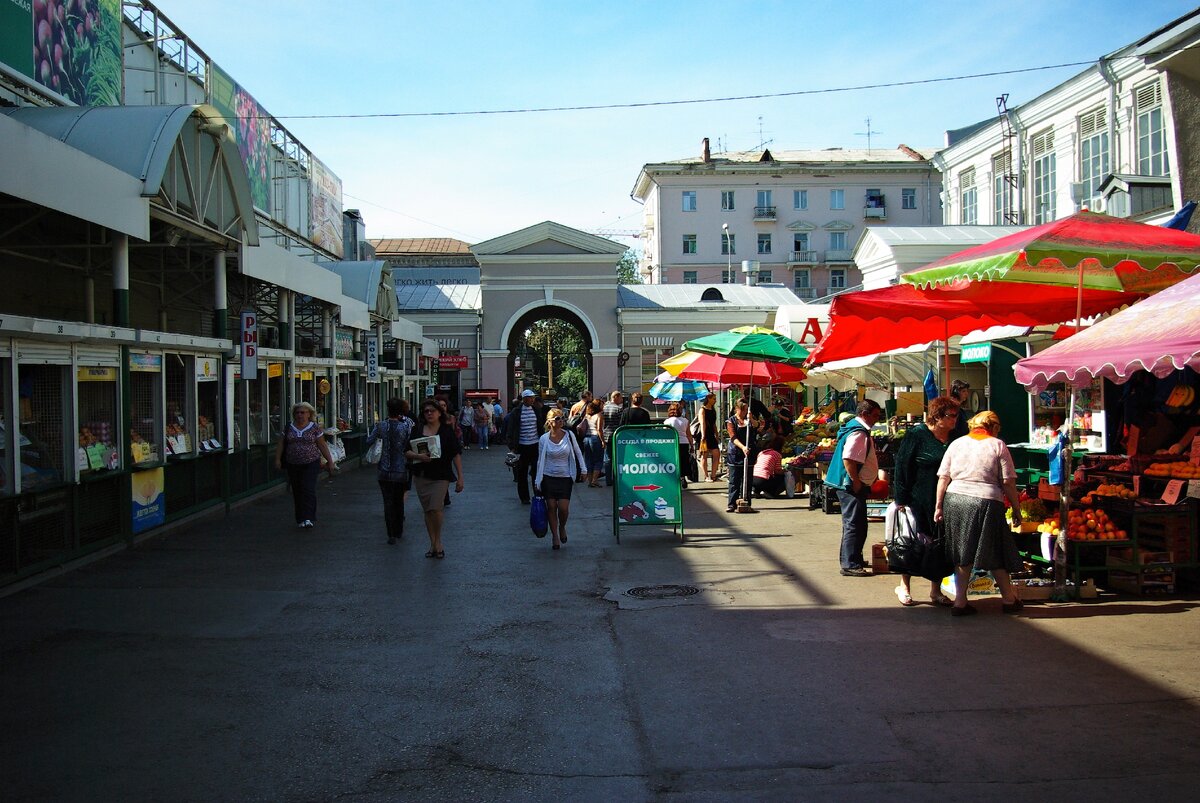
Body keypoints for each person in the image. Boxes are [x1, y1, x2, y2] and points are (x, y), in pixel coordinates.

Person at [934, 410, 1024, 616]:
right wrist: (1016, 508)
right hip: (986, 501)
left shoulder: (956, 444)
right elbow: (1008, 481)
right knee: (995, 550)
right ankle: (1009, 600)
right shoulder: (997, 445)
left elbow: (943, 478)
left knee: (962, 551)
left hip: (955, 499)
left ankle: (960, 601)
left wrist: (938, 506)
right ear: (993, 427)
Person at [891, 396, 959, 606]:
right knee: (911, 542)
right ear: (937, 417)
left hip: (945, 499)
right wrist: (900, 499)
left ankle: (935, 591)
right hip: (918, 497)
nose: (955, 420)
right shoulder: (917, 435)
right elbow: (902, 467)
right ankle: (905, 587)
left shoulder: (955, 436)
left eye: (956, 415)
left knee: (940, 543)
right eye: (951, 416)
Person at [824, 398, 883, 576]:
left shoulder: (855, 429)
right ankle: (850, 563)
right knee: (854, 524)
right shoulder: (858, 433)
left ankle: (853, 557)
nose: (877, 419)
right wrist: (856, 481)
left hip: (849, 483)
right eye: (875, 416)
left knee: (857, 523)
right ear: (864, 414)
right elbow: (848, 459)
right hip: (850, 485)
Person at [406, 400, 463, 559]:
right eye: (426, 411)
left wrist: (460, 478)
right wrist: (418, 456)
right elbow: (407, 451)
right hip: (421, 475)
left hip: (441, 475)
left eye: (432, 411)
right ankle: (432, 543)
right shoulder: (417, 430)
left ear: (439, 413)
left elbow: (455, 453)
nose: (429, 413)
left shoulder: (446, 431)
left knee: (436, 508)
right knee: (428, 510)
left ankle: (438, 541)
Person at [273, 401, 337, 529]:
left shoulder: (314, 428)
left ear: (309, 414)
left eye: (303, 412)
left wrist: (330, 461)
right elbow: (281, 444)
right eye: (297, 413)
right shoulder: (289, 427)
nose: (300, 415)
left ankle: (308, 517)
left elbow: (322, 445)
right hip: (293, 463)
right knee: (297, 490)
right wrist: (278, 459)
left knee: (308, 488)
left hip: (311, 462)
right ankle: (300, 518)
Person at [534, 409, 588, 550]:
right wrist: (537, 480)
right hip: (548, 476)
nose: (561, 421)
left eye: (562, 418)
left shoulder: (569, 435)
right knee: (551, 507)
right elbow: (540, 460)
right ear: (550, 421)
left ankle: (562, 526)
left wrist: (583, 469)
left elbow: (578, 452)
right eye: (557, 418)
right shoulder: (544, 439)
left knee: (563, 508)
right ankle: (555, 536)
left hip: (565, 476)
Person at [365, 397, 415, 545]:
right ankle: (398, 529)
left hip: (384, 469)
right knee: (398, 500)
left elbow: (369, 441)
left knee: (387, 501)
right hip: (401, 469)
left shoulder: (381, 426)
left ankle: (390, 533)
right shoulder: (406, 427)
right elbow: (410, 445)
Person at [506, 389, 548, 504]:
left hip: (535, 445)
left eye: (533, 397)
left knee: (536, 471)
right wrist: (512, 447)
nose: (532, 400)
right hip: (521, 447)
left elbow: (541, 426)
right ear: (524, 399)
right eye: (530, 398)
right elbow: (511, 429)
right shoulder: (516, 412)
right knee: (522, 473)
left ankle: (538, 494)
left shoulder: (536, 410)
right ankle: (524, 497)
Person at [724, 400, 753, 512]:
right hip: (736, 453)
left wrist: (752, 419)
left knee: (747, 479)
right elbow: (733, 437)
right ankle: (732, 503)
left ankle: (747, 501)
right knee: (734, 480)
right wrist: (742, 447)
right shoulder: (731, 421)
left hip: (749, 452)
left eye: (746, 409)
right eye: (743, 409)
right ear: (737, 409)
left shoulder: (749, 420)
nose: (745, 412)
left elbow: (758, 427)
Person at [662, 402, 692, 489]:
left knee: (674, 461)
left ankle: (674, 478)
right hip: (684, 442)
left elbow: (665, 434)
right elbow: (689, 434)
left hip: (672, 443)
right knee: (683, 461)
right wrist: (692, 445)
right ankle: (683, 477)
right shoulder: (685, 421)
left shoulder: (667, 421)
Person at [580, 399, 605, 487]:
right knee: (598, 460)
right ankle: (595, 480)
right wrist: (603, 441)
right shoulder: (599, 415)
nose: (603, 406)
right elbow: (599, 429)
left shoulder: (587, 415)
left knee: (589, 460)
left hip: (586, 438)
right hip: (595, 438)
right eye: (602, 405)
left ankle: (590, 481)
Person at [601, 391, 624, 486]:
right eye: (621, 398)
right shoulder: (618, 409)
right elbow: (621, 422)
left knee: (608, 458)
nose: (622, 400)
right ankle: (615, 478)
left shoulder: (604, 408)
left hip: (606, 435)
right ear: (615, 397)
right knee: (616, 458)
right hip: (615, 435)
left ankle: (608, 480)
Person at [697, 394, 721, 482]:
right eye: (714, 399)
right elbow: (702, 423)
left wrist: (717, 434)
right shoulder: (702, 410)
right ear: (708, 399)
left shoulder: (713, 410)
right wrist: (703, 436)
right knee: (705, 455)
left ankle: (713, 475)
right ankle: (706, 476)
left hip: (711, 434)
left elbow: (714, 423)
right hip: (705, 434)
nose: (715, 400)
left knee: (716, 453)